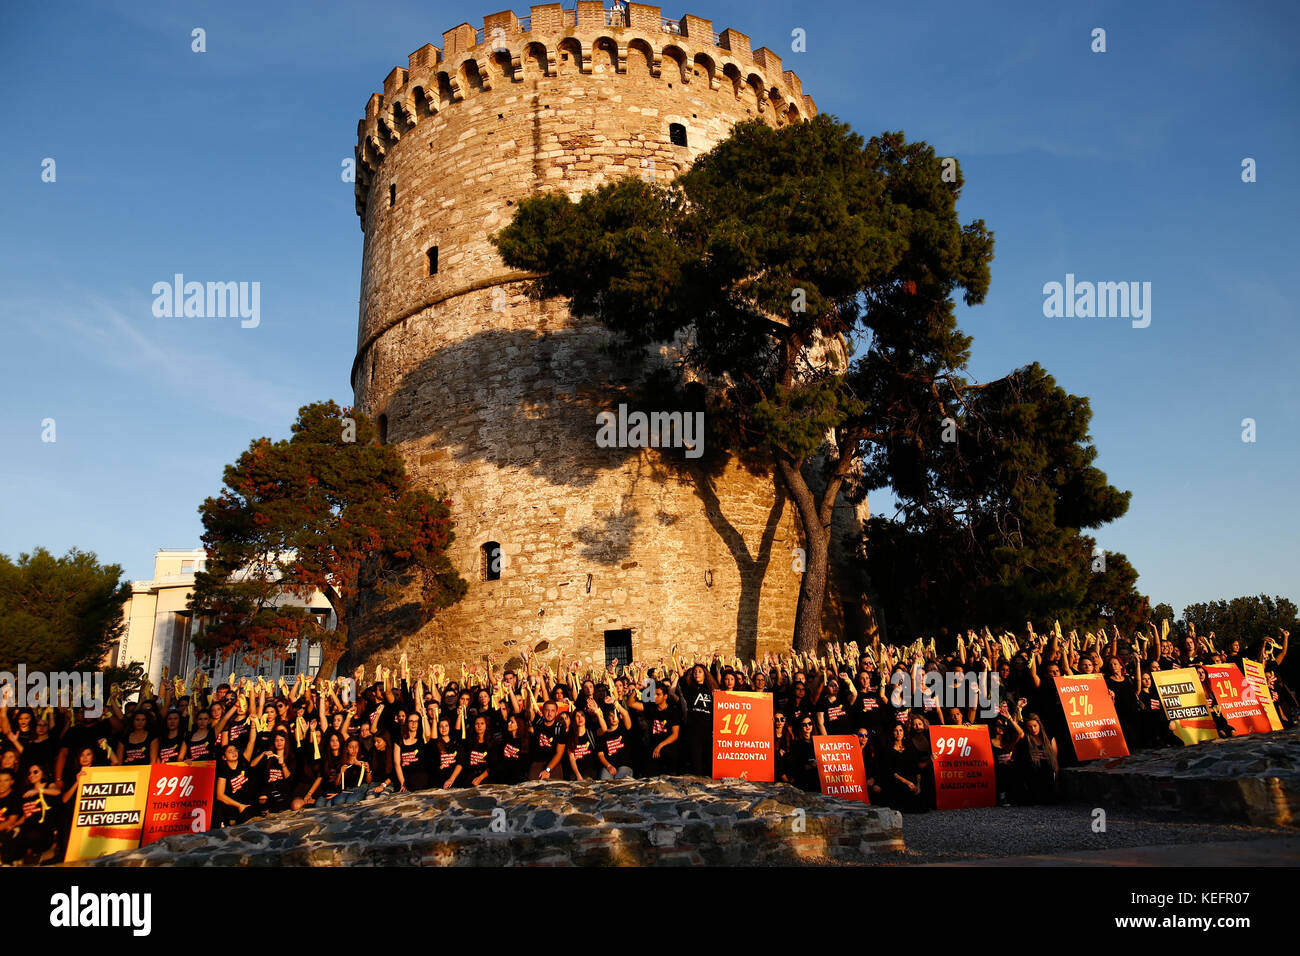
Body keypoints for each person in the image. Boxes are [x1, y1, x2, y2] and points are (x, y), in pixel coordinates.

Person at [678, 663, 717, 776]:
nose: (697, 673)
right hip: (694, 730)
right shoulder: (690, 689)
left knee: (709, 758)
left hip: (709, 730)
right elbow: (682, 677)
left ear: (705, 674)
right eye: (695, 672)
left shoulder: (712, 690)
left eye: (700, 671)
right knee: (696, 759)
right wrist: (676, 658)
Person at [1013, 713, 1058, 804]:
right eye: (1030, 727)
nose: (1033, 729)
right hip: (1031, 776)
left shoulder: (1049, 738)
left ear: (1039, 725)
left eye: (1035, 726)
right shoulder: (1025, 740)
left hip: (1047, 775)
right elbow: (1017, 760)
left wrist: (1057, 781)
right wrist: (1029, 757)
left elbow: (1055, 761)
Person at [214, 738, 257, 829]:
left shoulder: (243, 762)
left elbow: (251, 741)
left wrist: (253, 725)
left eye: (235, 750)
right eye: (230, 751)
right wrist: (239, 806)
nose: (234, 752)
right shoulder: (223, 771)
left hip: (247, 802)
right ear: (224, 757)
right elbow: (220, 795)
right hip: (233, 804)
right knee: (218, 806)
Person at [529, 701, 567, 781]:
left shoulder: (559, 728)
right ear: (542, 711)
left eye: (552, 711)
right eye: (547, 710)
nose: (549, 713)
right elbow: (528, 709)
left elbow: (559, 753)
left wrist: (547, 770)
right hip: (537, 762)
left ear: (556, 713)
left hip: (554, 764)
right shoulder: (537, 723)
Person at [565, 709, 601, 781]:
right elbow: (571, 758)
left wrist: (597, 712)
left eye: (582, 716)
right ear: (574, 719)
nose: (580, 718)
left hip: (590, 770)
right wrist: (577, 774)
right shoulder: (570, 736)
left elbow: (604, 729)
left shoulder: (591, 732)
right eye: (577, 716)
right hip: (575, 771)